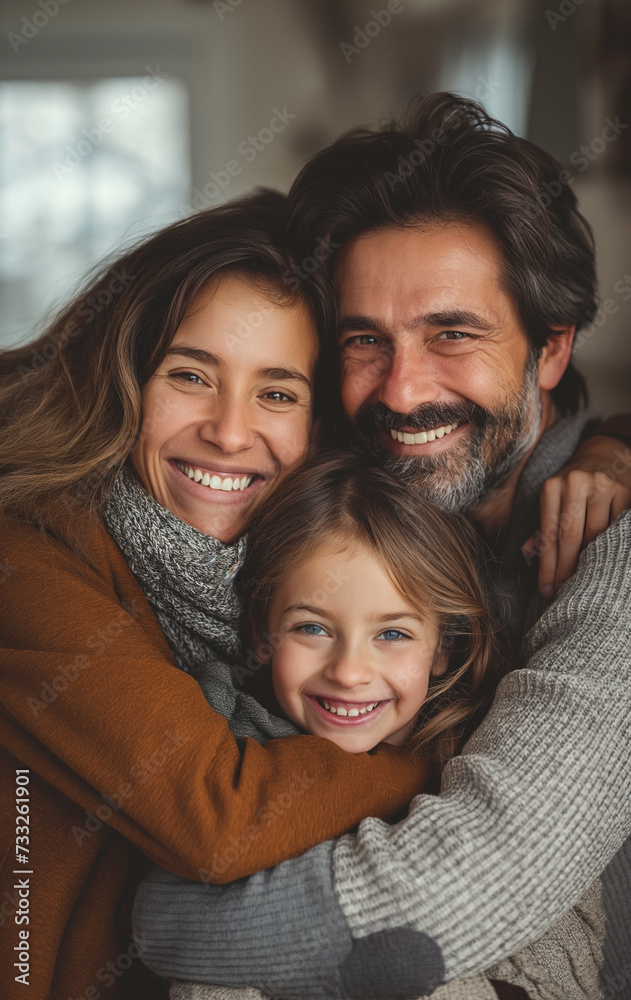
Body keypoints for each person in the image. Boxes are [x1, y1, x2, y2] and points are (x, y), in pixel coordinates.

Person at [133, 94, 631, 1000]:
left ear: (551, 350)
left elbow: (476, 879)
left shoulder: (614, 544)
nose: (401, 393)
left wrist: (187, 928)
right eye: (366, 341)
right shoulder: (324, 501)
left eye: (452, 335)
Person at [0, 190, 440, 1000]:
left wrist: (610, 447)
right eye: (191, 376)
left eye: (276, 392)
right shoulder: (25, 556)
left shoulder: (301, 563)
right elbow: (218, 819)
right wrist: (436, 755)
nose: (230, 433)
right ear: (124, 378)